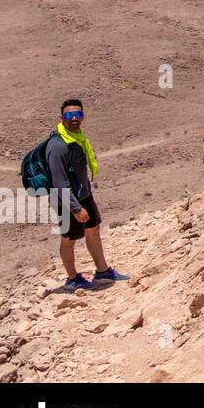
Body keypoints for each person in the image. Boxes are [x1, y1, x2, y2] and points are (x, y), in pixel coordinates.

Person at [46, 99, 129, 291]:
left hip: (83, 194)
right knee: (69, 238)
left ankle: (102, 272)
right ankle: (72, 279)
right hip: (67, 201)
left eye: (78, 115)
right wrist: (75, 208)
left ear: (83, 117)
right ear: (61, 118)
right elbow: (59, 182)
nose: (74, 118)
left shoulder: (77, 136)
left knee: (93, 229)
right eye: (69, 115)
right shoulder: (57, 145)